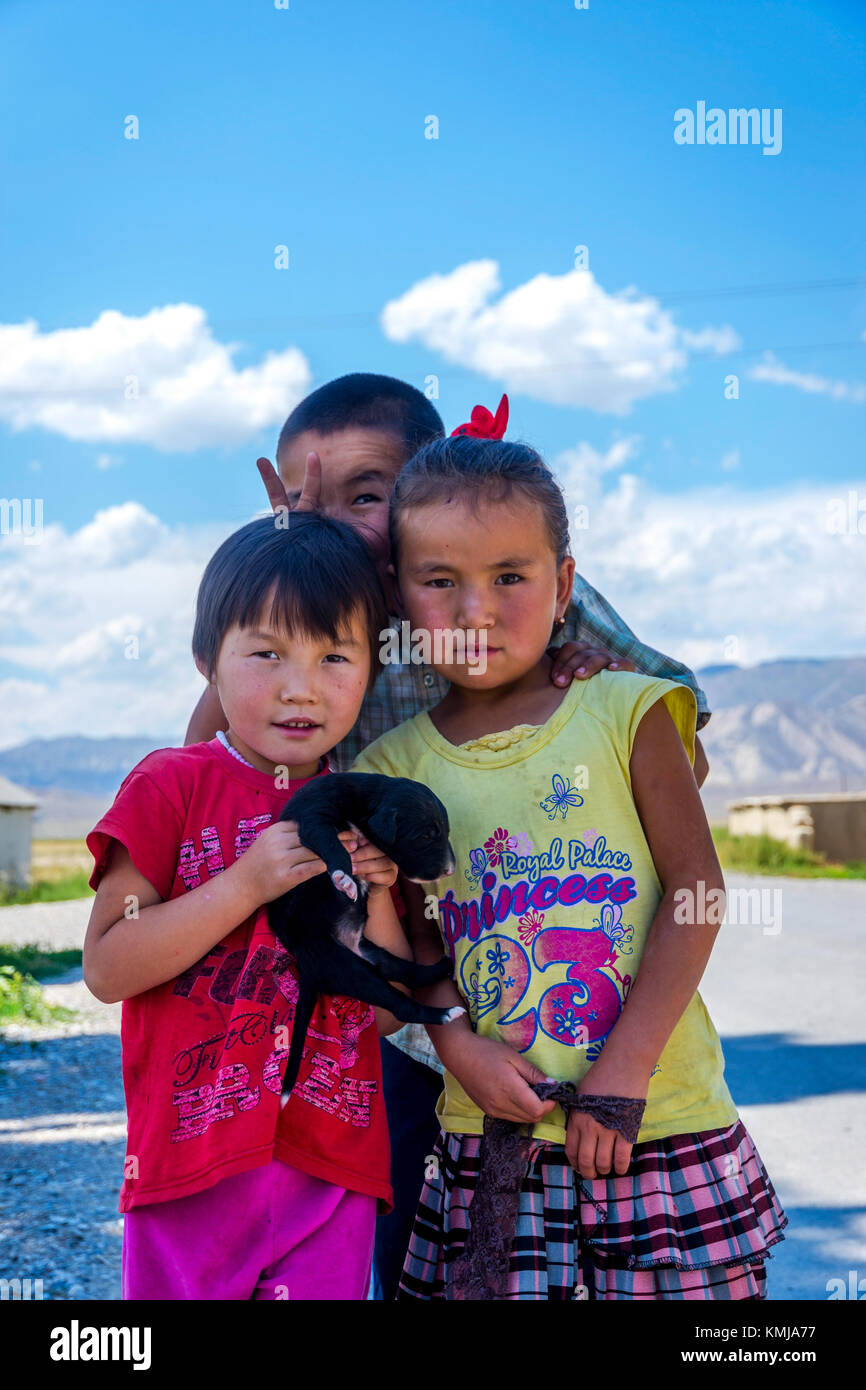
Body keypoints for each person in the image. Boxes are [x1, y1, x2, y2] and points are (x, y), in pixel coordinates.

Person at [181, 373, 716, 1299]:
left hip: (544, 980)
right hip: (410, 996)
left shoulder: (495, 568)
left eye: (367, 493)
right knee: (410, 1225)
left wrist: (576, 674)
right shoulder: (314, 613)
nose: (343, 521)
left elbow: (671, 754)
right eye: (315, 501)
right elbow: (209, 764)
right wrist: (286, 559)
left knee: (584, 1217)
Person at [352, 427, 788, 1299]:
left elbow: (697, 893)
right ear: (400, 595)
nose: (475, 610)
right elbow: (412, 944)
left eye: (510, 577)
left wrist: (623, 1071)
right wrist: (455, 1044)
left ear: (564, 586)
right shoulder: (386, 772)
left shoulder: (626, 711)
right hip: (489, 1137)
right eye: (441, 582)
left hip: (659, 1121)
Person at [83, 511, 418, 1300]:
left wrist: (373, 894)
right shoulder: (170, 786)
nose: (299, 687)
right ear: (208, 659)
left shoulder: (362, 804)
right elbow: (106, 965)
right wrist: (243, 886)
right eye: (266, 653)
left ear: (371, 667)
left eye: (335, 656)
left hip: (332, 1168)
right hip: (190, 1171)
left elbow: (390, 1014)